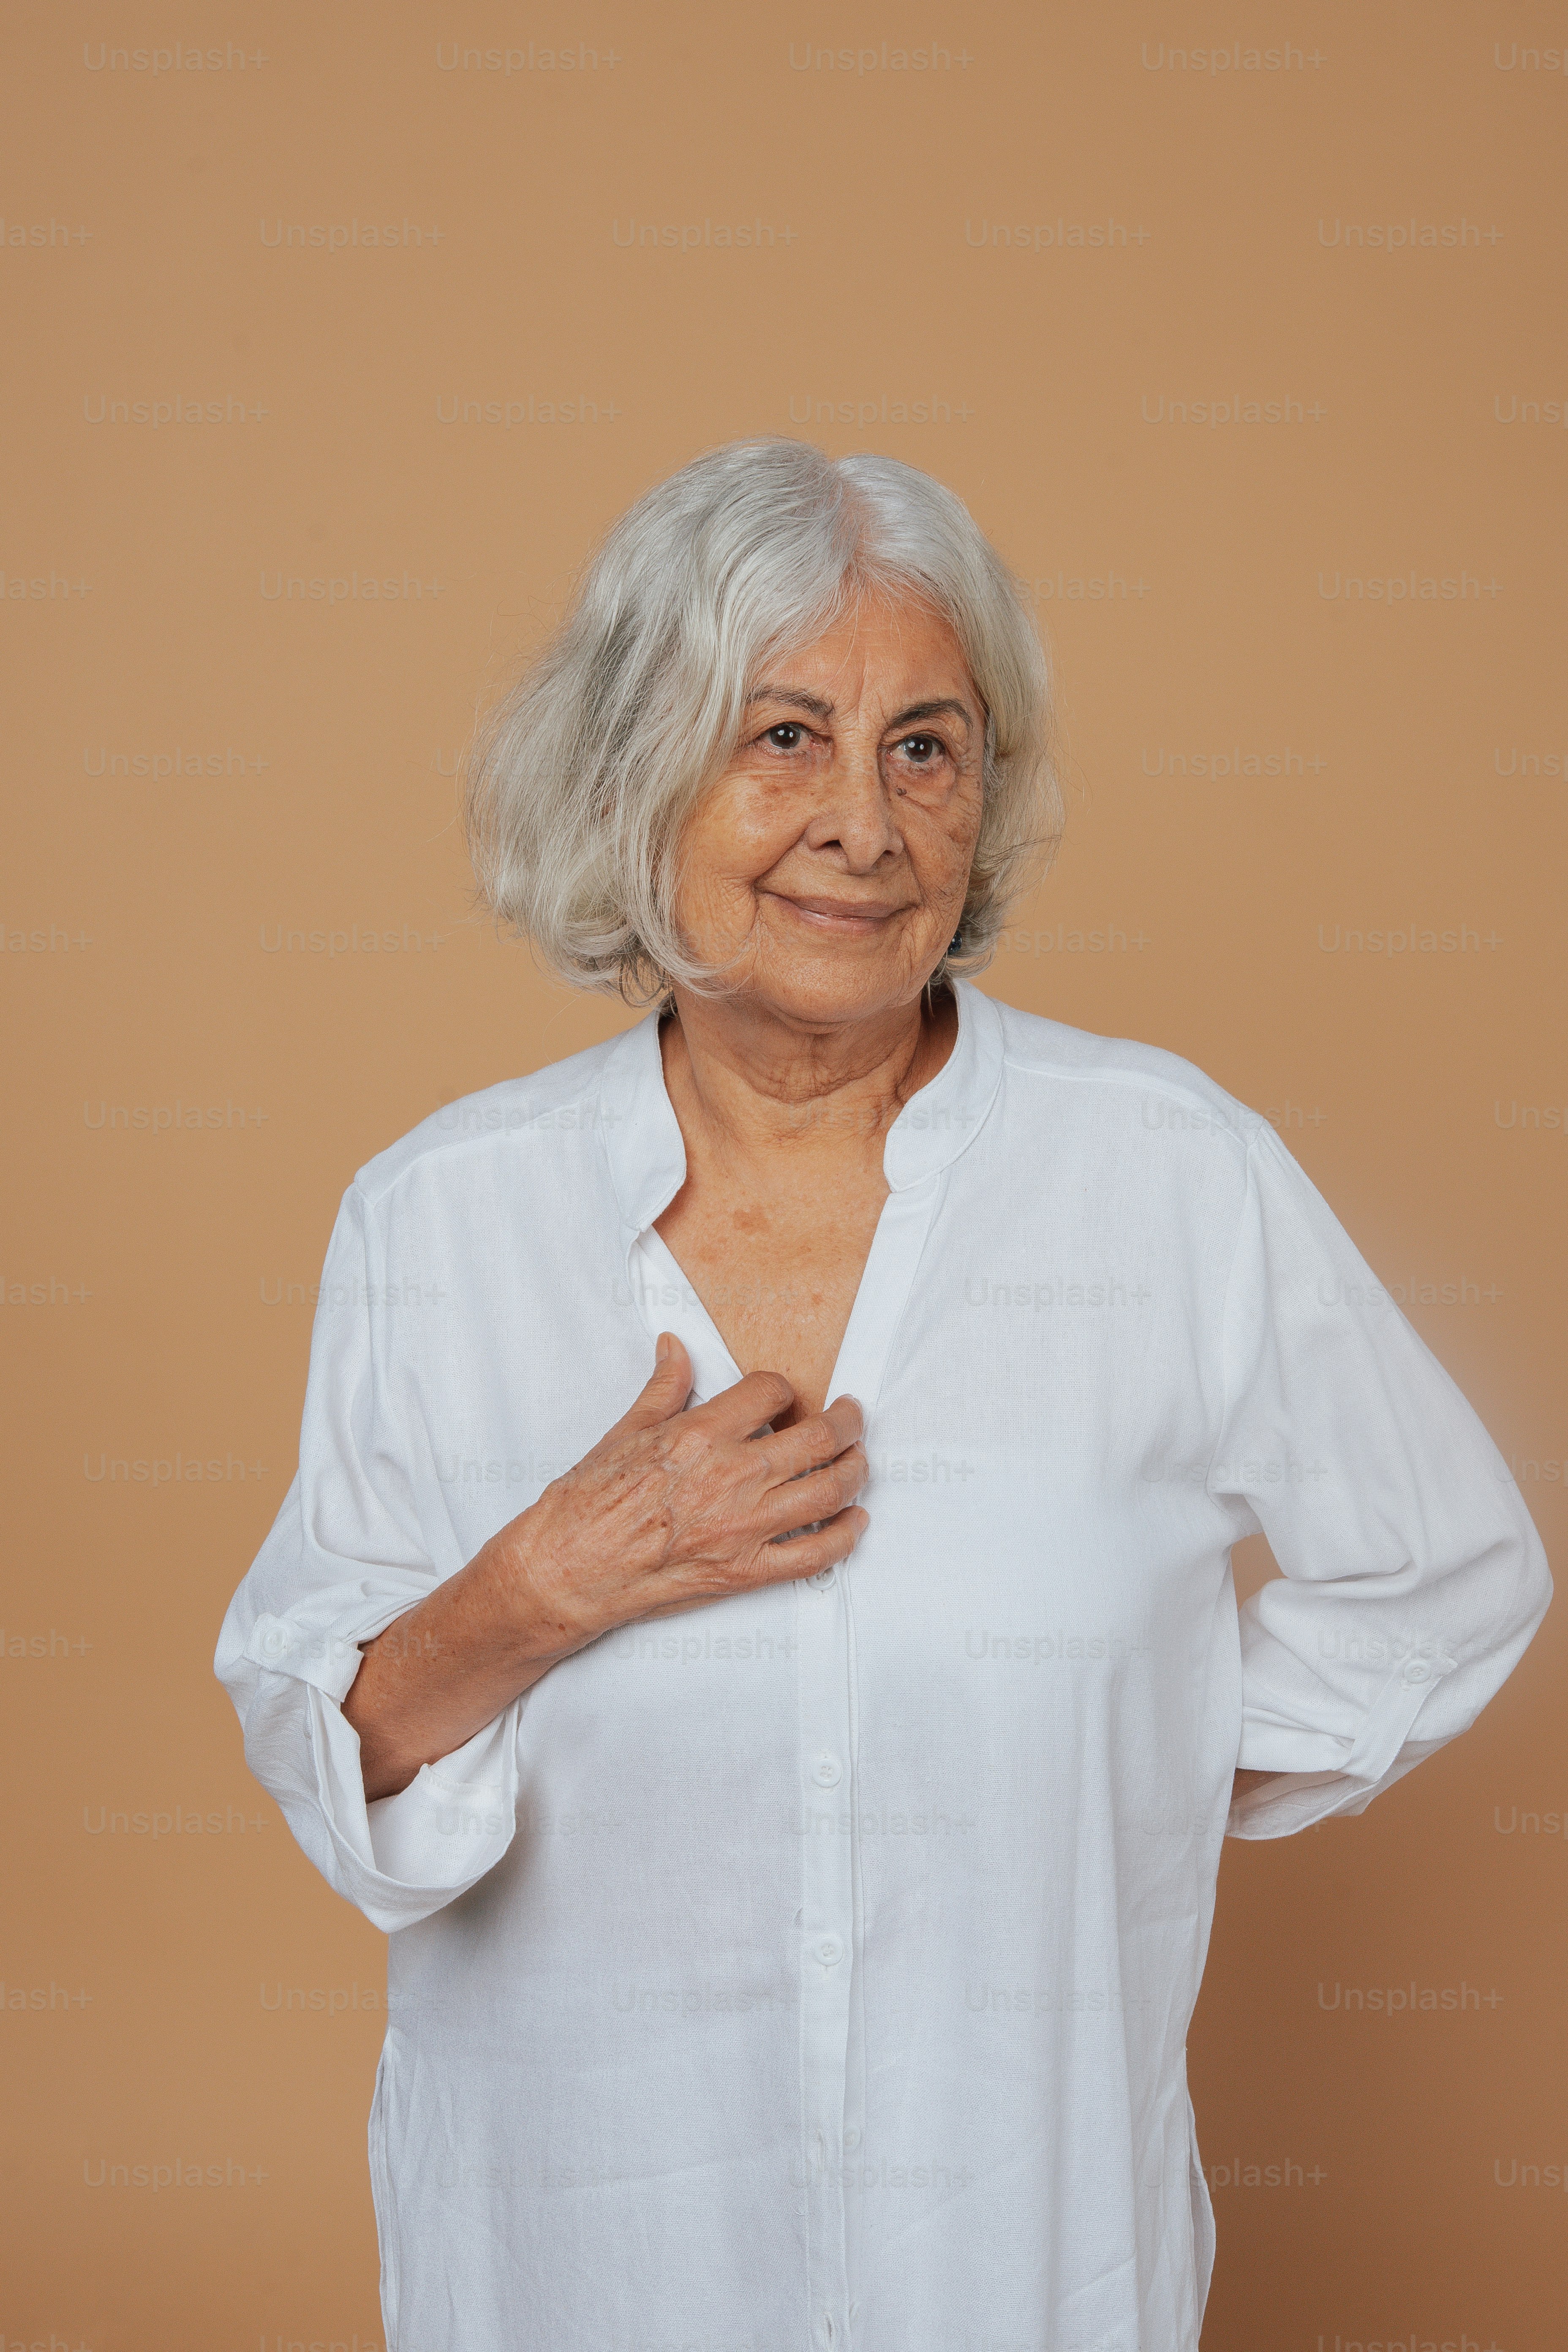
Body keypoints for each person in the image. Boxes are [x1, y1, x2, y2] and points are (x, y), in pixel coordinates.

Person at [215, 438, 1550, 2352]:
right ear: (633, 773)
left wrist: (1127, 1757)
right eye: (784, 737)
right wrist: (541, 1588)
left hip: (1020, 2263)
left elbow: (1449, 1576)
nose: (863, 823)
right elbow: (323, 1735)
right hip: (589, 2266)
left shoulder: (1165, 1174)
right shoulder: (444, 1218)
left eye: (926, 748)